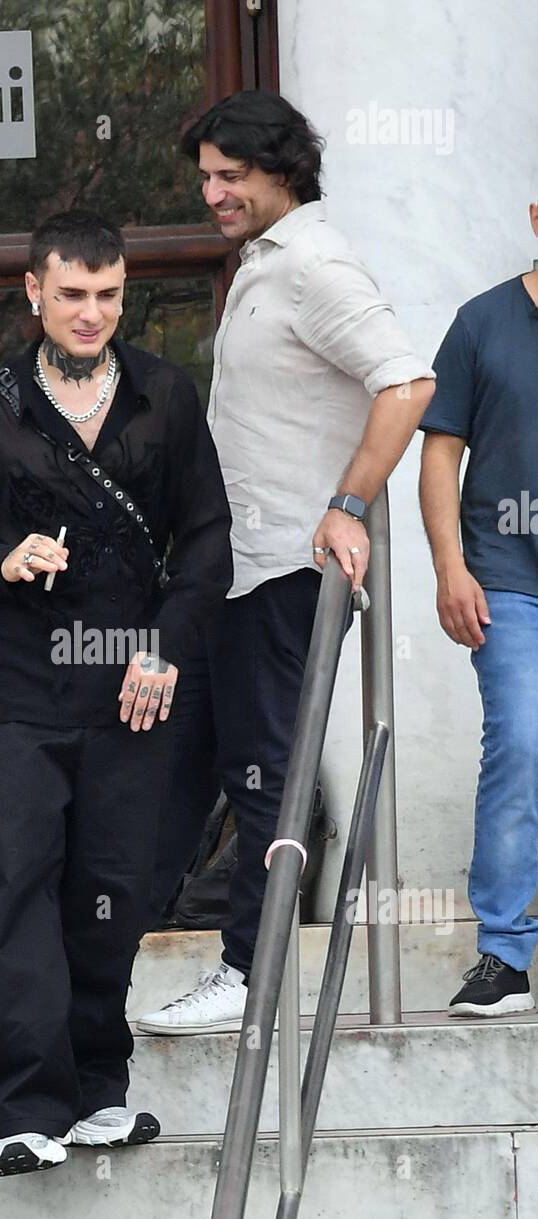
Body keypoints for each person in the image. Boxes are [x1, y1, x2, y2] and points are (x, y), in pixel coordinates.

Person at [0, 209, 232, 1176]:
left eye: (106, 295)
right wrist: (3, 556)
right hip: (20, 691)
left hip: (130, 689)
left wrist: (167, 652)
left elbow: (208, 541)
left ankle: (99, 1089)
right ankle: (20, 1106)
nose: (90, 313)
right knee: (18, 886)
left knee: (111, 891)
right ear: (34, 293)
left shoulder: (166, 397)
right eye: (72, 295)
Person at [138, 91, 435, 1035]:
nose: (215, 194)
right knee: (205, 760)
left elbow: (407, 378)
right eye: (206, 180)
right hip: (237, 564)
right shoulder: (264, 265)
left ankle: (246, 969)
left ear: (282, 169)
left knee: (266, 767)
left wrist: (348, 504)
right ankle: (159, 941)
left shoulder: (315, 261)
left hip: (290, 571)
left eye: (231, 176)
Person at [419, 197, 538, 1017]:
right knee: (524, 743)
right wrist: (450, 568)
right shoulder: (481, 321)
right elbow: (440, 453)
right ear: (534, 216)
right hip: (506, 576)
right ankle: (503, 951)